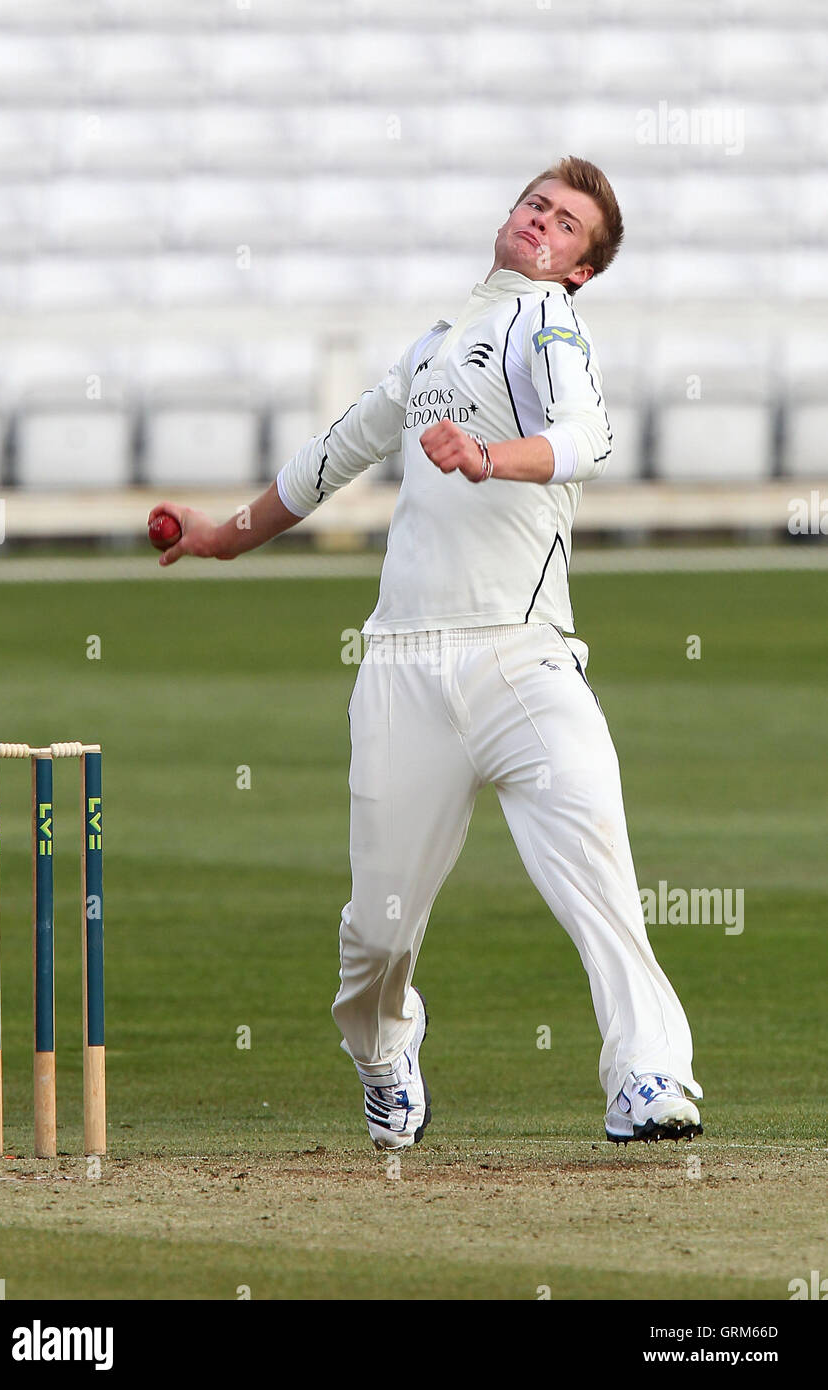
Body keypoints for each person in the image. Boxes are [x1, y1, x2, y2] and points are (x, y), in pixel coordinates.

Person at [149, 155, 703, 1151]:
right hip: (402, 668)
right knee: (376, 935)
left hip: (523, 658)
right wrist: (219, 535)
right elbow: (326, 462)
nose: (543, 222)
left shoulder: (549, 323)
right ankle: (383, 1051)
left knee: (601, 883)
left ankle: (650, 1074)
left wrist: (489, 458)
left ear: (578, 268)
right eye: (537, 204)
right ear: (508, 214)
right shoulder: (432, 350)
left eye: (567, 225)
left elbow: (587, 437)